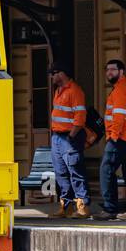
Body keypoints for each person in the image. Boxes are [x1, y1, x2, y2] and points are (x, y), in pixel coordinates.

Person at [96, 58, 126, 220]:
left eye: (113, 70)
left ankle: (110, 208)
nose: (109, 72)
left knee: (106, 170)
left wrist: (112, 136)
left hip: (120, 138)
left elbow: (119, 116)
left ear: (121, 72)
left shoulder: (120, 90)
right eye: (107, 70)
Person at [47, 61, 90, 219]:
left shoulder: (75, 91)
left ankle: (82, 205)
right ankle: (65, 206)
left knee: (75, 171)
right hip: (57, 137)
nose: (51, 76)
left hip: (69, 137)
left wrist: (71, 136)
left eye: (54, 73)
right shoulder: (59, 90)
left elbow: (80, 117)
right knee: (61, 173)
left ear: (61, 74)